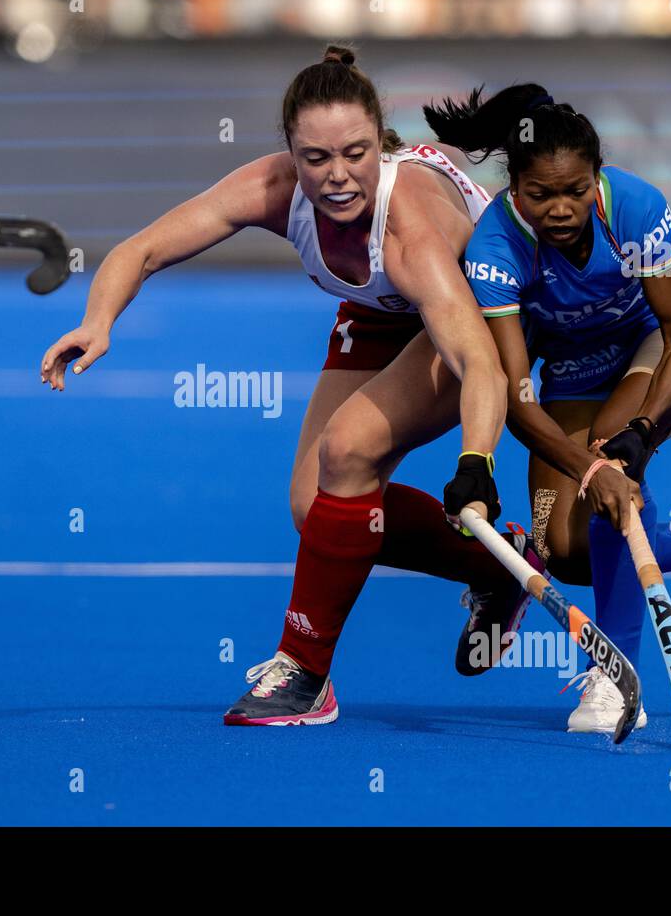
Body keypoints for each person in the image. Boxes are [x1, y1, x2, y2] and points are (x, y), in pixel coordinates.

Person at [42, 46, 542, 727]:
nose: (337, 177)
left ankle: (304, 673)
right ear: (291, 152)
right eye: (316, 158)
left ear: (379, 138)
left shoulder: (411, 232)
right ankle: (497, 566)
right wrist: (97, 323)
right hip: (382, 310)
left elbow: (479, 363)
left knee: (348, 452)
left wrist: (476, 464)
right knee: (316, 508)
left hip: (481, 316)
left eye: (355, 153)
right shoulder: (271, 189)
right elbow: (143, 249)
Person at [425, 84, 671, 733]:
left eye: (574, 191)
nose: (560, 209)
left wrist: (635, 436)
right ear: (514, 188)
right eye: (540, 195)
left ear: (595, 177)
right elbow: (517, 396)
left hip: (669, 335)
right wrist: (586, 469)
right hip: (576, 360)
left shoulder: (632, 207)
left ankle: (614, 680)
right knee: (568, 550)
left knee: (612, 453)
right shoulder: (494, 249)